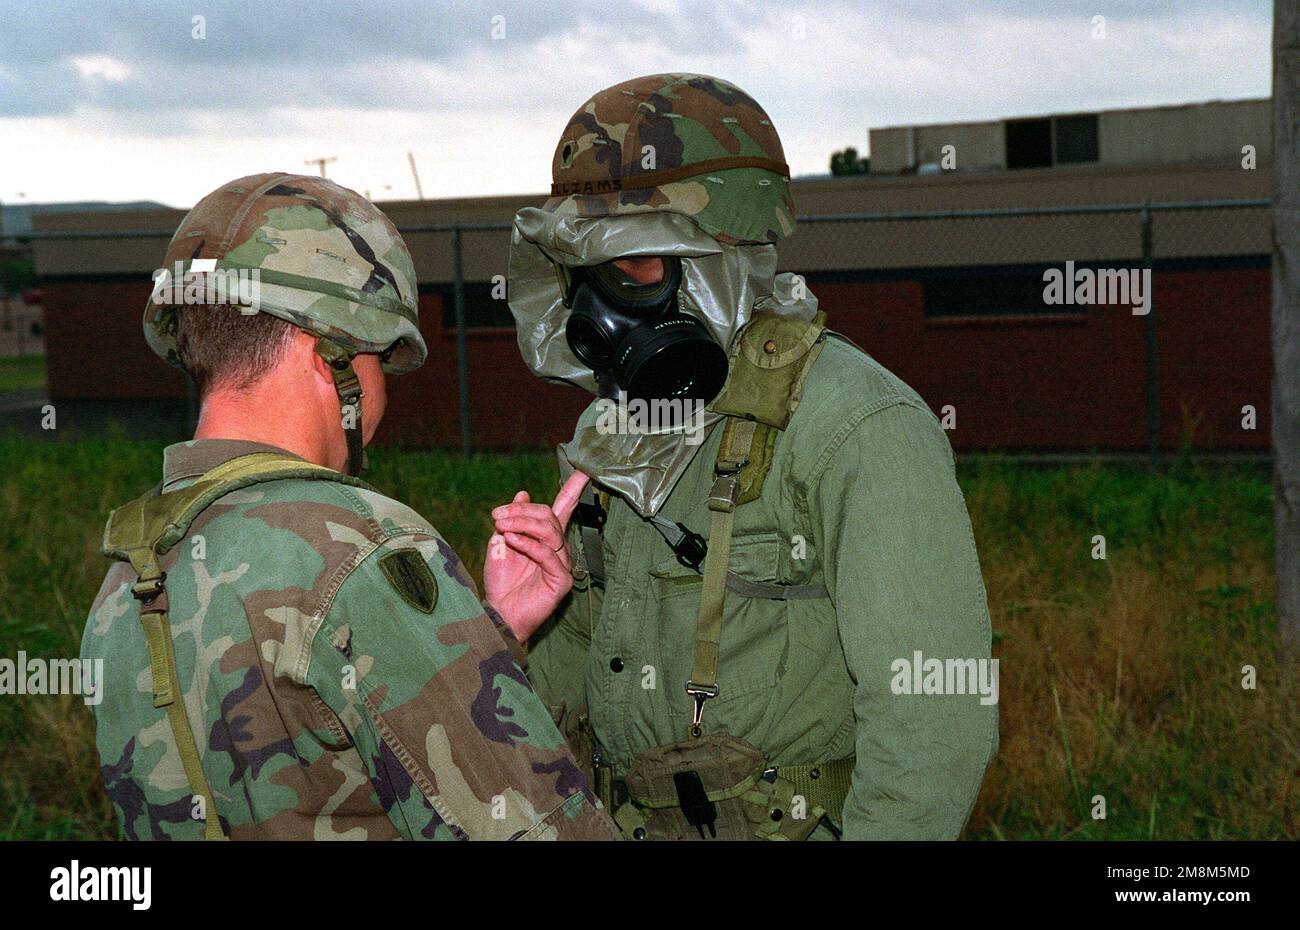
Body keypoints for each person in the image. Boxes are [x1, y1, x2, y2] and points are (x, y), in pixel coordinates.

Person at [502, 74, 998, 840]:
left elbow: (934, 727)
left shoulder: (856, 424)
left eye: (635, 269)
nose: (597, 313)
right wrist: (508, 631)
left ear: (722, 259)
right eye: (587, 273)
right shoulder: (623, 432)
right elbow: (570, 674)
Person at [82, 173, 616, 841]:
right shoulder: (362, 545)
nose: (384, 392)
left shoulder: (128, 573)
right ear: (328, 354)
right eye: (381, 362)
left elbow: (306, 764)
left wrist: (484, 637)